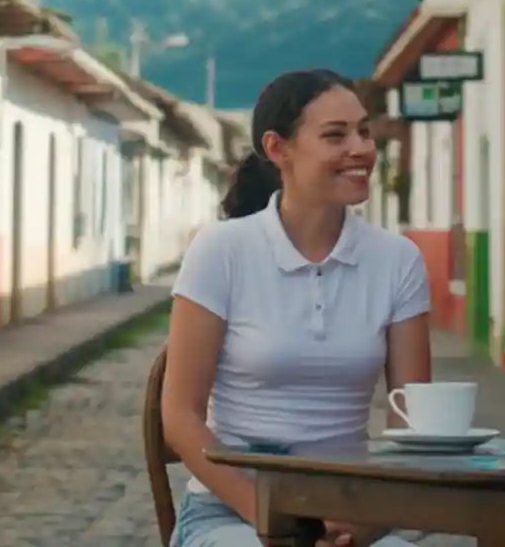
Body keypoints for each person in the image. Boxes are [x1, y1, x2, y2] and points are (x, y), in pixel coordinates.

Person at [161, 69, 431, 547]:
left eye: (364, 131)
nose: (361, 148)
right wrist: (275, 522)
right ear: (277, 148)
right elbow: (180, 416)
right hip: (231, 513)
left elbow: (413, 423)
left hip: (351, 514)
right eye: (335, 135)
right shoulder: (221, 251)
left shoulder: (398, 260)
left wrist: (363, 527)